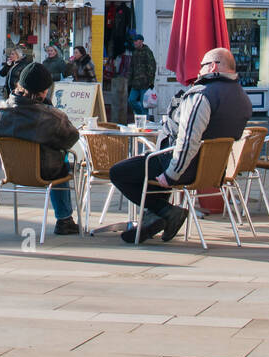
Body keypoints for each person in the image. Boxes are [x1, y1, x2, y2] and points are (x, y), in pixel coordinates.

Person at [107, 47, 251, 244]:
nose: (198, 71)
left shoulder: (203, 95)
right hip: (212, 170)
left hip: (184, 166)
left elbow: (189, 140)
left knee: (119, 173)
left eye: (201, 66)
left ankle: (165, 211)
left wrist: (172, 174)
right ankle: (157, 217)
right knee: (150, 167)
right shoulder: (242, 98)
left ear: (213, 66)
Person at [0, 62, 81, 235]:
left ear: (19, 86)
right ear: (44, 92)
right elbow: (71, 137)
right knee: (63, 160)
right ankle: (64, 219)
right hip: (44, 172)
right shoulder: (51, 116)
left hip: (11, 171)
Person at [127, 34, 156, 118]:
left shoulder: (147, 52)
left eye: (136, 41)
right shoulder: (134, 52)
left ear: (141, 41)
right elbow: (131, 68)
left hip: (145, 84)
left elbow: (152, 67)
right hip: (135, 84)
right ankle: (141, 116)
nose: (134, 43)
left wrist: (151, 82)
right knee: (131, 100)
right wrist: (129, 82)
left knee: (144, 105)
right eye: (134, 41)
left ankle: (145, 121)